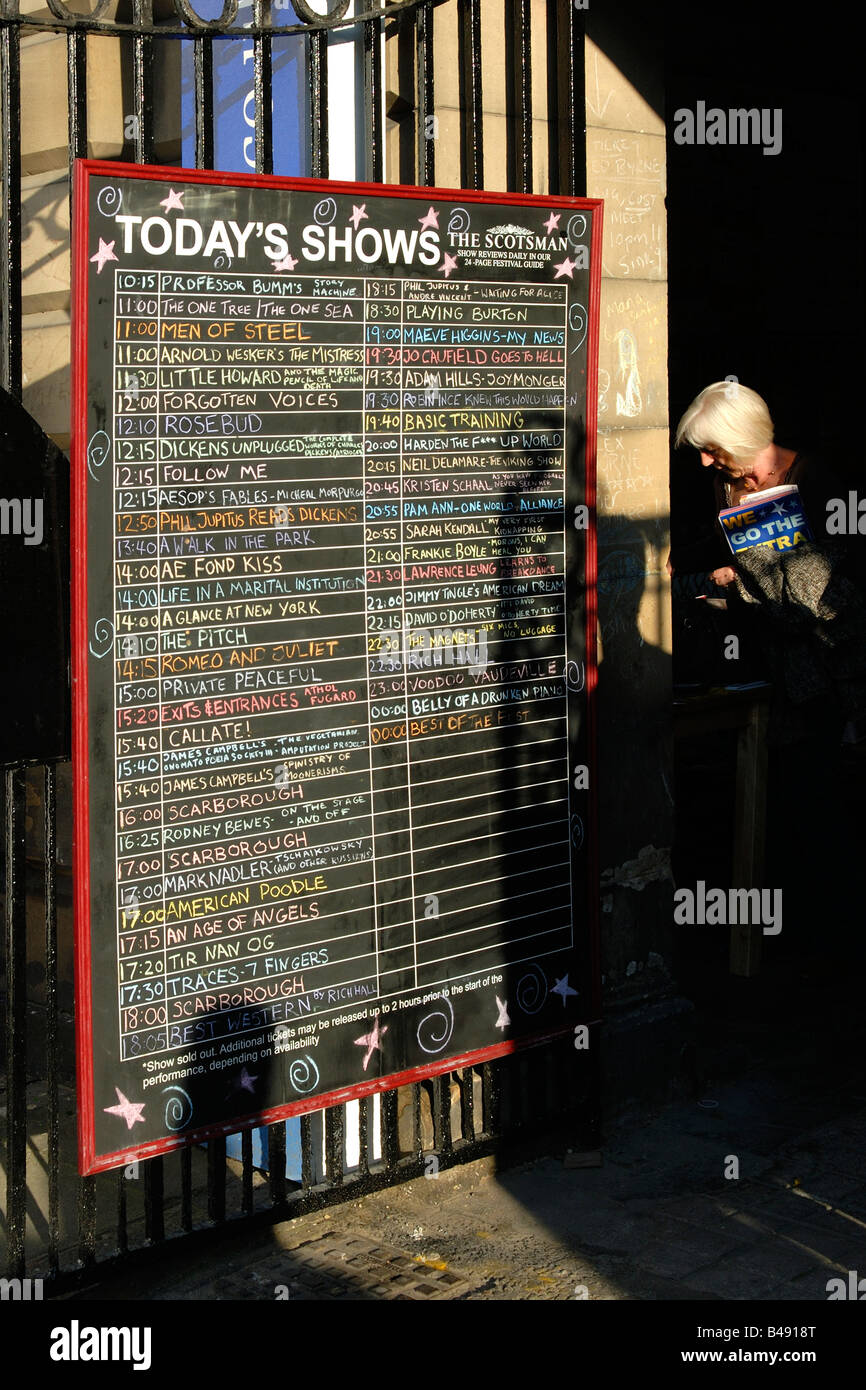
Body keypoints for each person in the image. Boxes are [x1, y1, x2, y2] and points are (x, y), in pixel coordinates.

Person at [672, 380, 866, 747]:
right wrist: (676, 560)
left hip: (822, 669)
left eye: (712, 450)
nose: (705, 461)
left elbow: (828, 582)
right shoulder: (724, 485)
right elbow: (722, 544)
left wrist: (742, 578)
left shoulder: (815, 480)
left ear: (739, 437)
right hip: (760, 658)